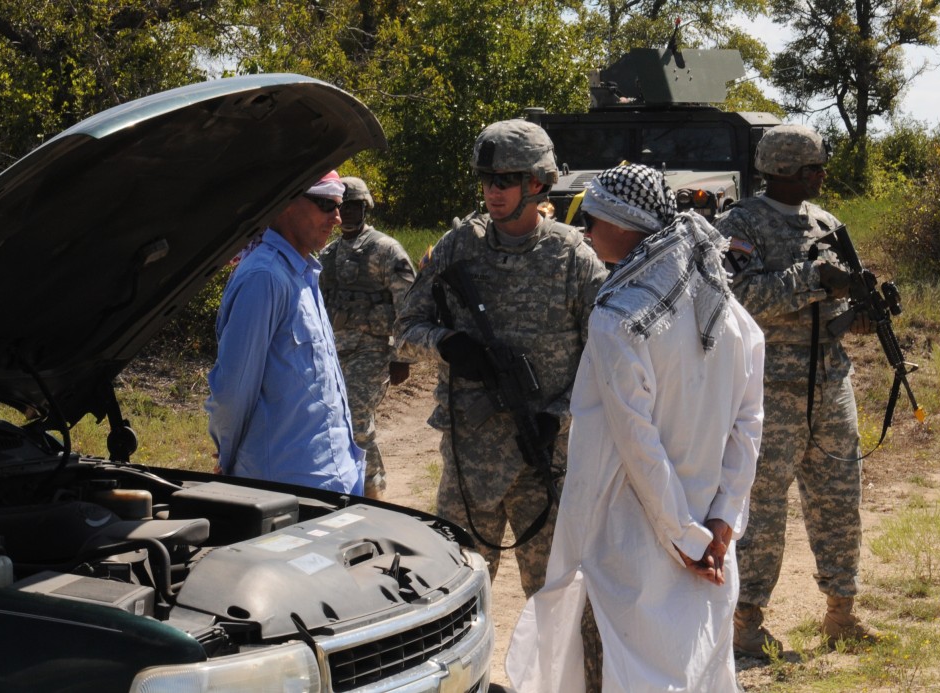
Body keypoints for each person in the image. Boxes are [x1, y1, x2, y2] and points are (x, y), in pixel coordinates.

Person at [506, 163, 765, 692]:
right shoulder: (730, 314)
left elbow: (637, 446)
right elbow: (749, 427)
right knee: (697, 668)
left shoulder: (619, 317)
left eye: (591, 214)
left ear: (624, 224)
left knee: (637, 672)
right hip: (709, 542)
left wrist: (686, 539)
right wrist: (722, 523)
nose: (584, 228)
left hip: (633, 538)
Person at [396, 119, 608, 598]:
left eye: (505, 180)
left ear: (537, 183)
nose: (492, 191)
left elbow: (606, 360)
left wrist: (560, 417)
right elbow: (405, 333)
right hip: (469, 462)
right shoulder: (457, 249)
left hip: (545, 460)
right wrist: (447, 344)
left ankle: (553, 678)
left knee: (555, 594)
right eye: (486, 180)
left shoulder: (574, 257)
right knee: (453, 591)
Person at [714, 124, 879, 657]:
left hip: (830, 385)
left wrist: (864, 311)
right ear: (786, 171)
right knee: (760, 511)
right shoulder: (740, 225)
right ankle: (747, 623)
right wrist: (813, 279)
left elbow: (832, 315)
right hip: (768, 392)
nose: (821, 175)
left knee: (839, 500)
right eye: (813, 168)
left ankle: (841, 612)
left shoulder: (828, 225)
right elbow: (739, 295)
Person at [206, 171, 364, 494]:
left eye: (339, 204)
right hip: (287, 493)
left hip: (335, 482)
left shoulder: (304, 273)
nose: (336, 217)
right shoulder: (264, 277)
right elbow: (233, 393)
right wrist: (227, 455)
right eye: (325, 203)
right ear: (286, 203)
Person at [318, 176, 416, 499]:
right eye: (340, 206)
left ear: (366, 208)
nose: (346, 213)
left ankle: (372, 490)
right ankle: (347, 486)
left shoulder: (385, 250)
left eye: (353, 207)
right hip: (332, 353)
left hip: (372, 352)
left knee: (357, 419)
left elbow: (409, 302)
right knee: (334, 422)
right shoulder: (327, 254)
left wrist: (402, 357)